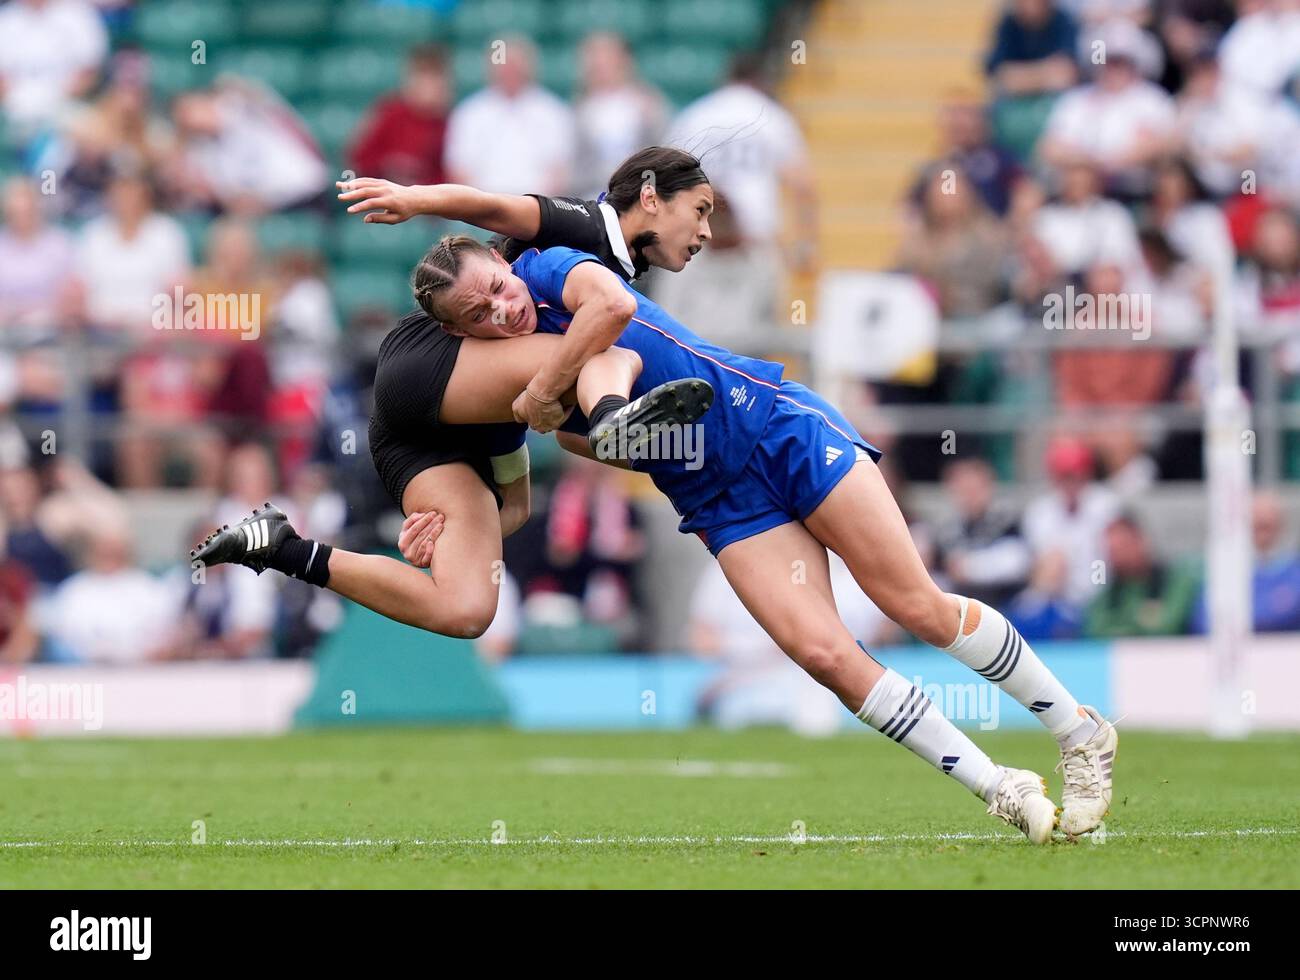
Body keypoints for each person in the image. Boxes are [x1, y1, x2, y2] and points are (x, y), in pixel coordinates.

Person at [295, 236, 1117, 842]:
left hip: (776, 428)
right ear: (462, 335)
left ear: (509, 267)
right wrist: (436, 522)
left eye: (497, 288)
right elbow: (534, 491)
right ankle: (999, 788)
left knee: (916, 606)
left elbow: (609, 315)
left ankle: (1080, 733)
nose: (501, 309)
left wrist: (422, 207)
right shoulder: (521, 388)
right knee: (827, 657)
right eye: (478, 315)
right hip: (721, 498)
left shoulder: (553, 271)